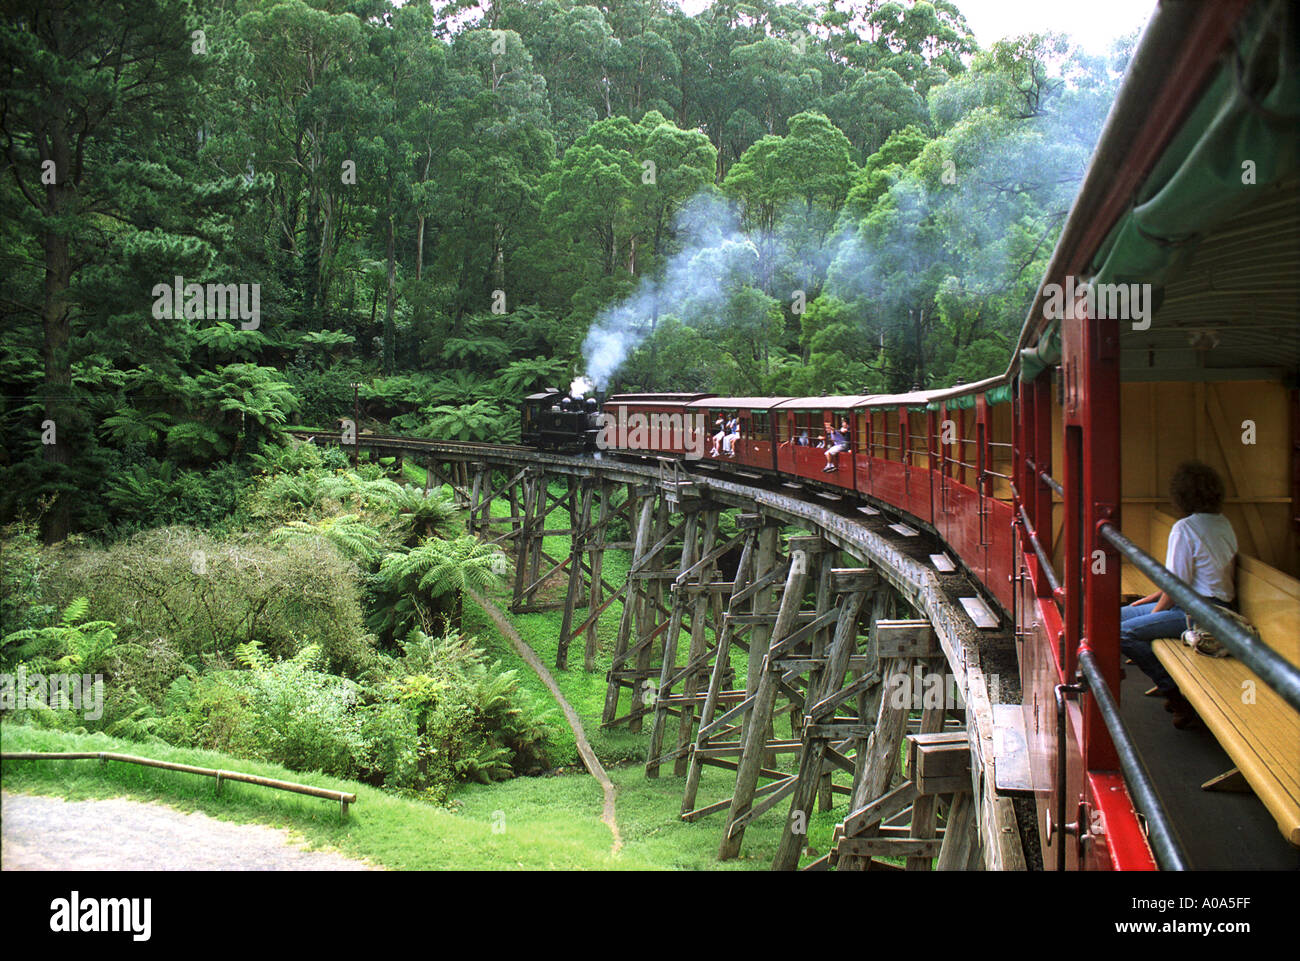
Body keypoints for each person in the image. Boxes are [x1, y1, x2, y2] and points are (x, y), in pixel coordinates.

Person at [1121, 460, 1238, 730]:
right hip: (1205, 606)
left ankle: (1176, 696)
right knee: (1114, 619)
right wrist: (1148, 601)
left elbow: (1175, 588)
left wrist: (1153, 614)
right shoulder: (1222, 523)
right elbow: (1181, 580)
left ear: (1182, 495)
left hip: (1199, 613)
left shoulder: (1185, 528)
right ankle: (1168, 684)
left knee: (1122, 632)